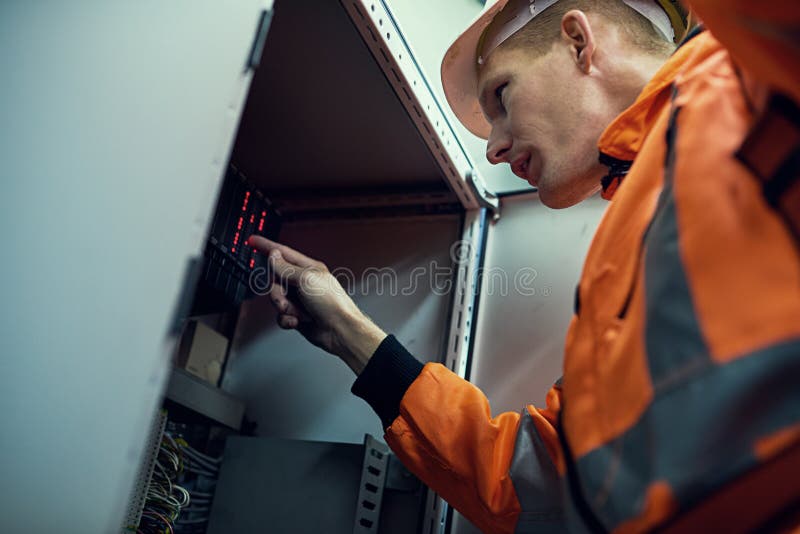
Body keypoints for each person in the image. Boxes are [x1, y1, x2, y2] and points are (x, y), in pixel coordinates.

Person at [247, 0, 800, 531]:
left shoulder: (755, 83)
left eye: (502, 95)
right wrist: (347, 331)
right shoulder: (625, 251)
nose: (493, 149)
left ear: (579, 42)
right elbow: (540, 487)